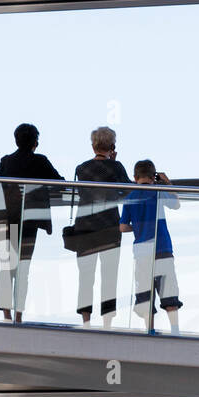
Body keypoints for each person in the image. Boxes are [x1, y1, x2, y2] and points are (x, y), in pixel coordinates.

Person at [0, 124, 60, 324]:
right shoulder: (40, 161)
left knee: (7, 267)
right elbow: (59, 183)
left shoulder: (7, 161)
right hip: (29, 220)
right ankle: (18, 315)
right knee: (23, 268)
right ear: (35, 142)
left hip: (8, 218)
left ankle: (7, 314)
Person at [72, 127, 131, 327]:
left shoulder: (81, 168)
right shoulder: (116, 167)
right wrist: (113, 163)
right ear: (112, 146)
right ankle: (107, 321)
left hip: (85, 227)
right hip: (108, 226)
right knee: (109, 275)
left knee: (85, 276)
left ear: (93, 145)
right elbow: (128, 190)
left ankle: (86, 320)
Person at [120, 161, 183, 334]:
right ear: (153, 176)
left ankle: (150, 330)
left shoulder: (130, 197)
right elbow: (176, 204)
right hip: (162, 247)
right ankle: (175, 330)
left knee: (145, 294)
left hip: (141, 251)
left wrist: (138, 226)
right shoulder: (158, 192)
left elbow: (123, 227)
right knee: (168, 290)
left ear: (135, 177)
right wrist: (168, 183)